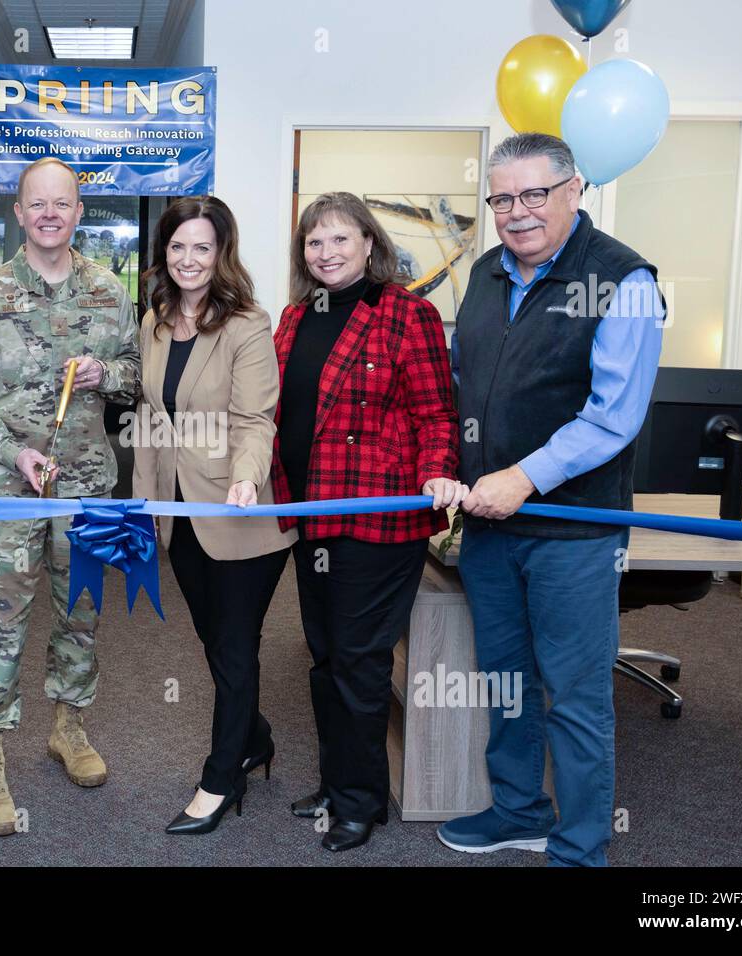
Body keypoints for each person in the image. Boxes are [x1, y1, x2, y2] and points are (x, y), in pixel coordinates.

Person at [440, 133, 664, 867]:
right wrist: (449, 464)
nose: (516, 212)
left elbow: (613, 415)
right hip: (489, 528)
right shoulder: (483, 273)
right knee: (506, 681)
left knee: (574, 699)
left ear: (575, 190)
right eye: (502, 198)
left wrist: (525, 477)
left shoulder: (621, 280)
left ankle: (578, 849)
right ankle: (518, 809)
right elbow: (461, 379)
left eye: (535, 194)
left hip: (574, 533)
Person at [0, 157, 140, 836]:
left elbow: (137, 377)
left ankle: (68, 728)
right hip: (6, 490)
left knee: (80, 613)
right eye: (38, 204)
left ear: (79, 212)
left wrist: (104, 371)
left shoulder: (112, 293)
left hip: (87, 490)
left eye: (64, 202)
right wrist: (11, 450)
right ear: (19, 214)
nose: (51, 213)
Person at [273, 192, 463, 852]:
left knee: (358, 661)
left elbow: (437, 414)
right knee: (326, 658)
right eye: (313, 242)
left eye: (339, 240)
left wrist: (437, 470)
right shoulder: (297, 318)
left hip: (375, 521)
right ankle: (338, 785)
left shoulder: (408, 314)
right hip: (309, 515)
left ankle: (360, 800)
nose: (325, 253)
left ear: (370, 244)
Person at [131, 196, 296, 835]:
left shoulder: (246, 324)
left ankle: (221, 777)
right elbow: (151, 419)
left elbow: (256, 420)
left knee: (233, 648)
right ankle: (253, 736)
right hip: (179, 510)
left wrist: (248, 479)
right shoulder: (154, 321)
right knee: (213, 642)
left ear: (221, 253)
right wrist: (146, 502)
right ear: (163, 252)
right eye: (178, 247)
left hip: (241, 513)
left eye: (203, 247)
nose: (189, 260)